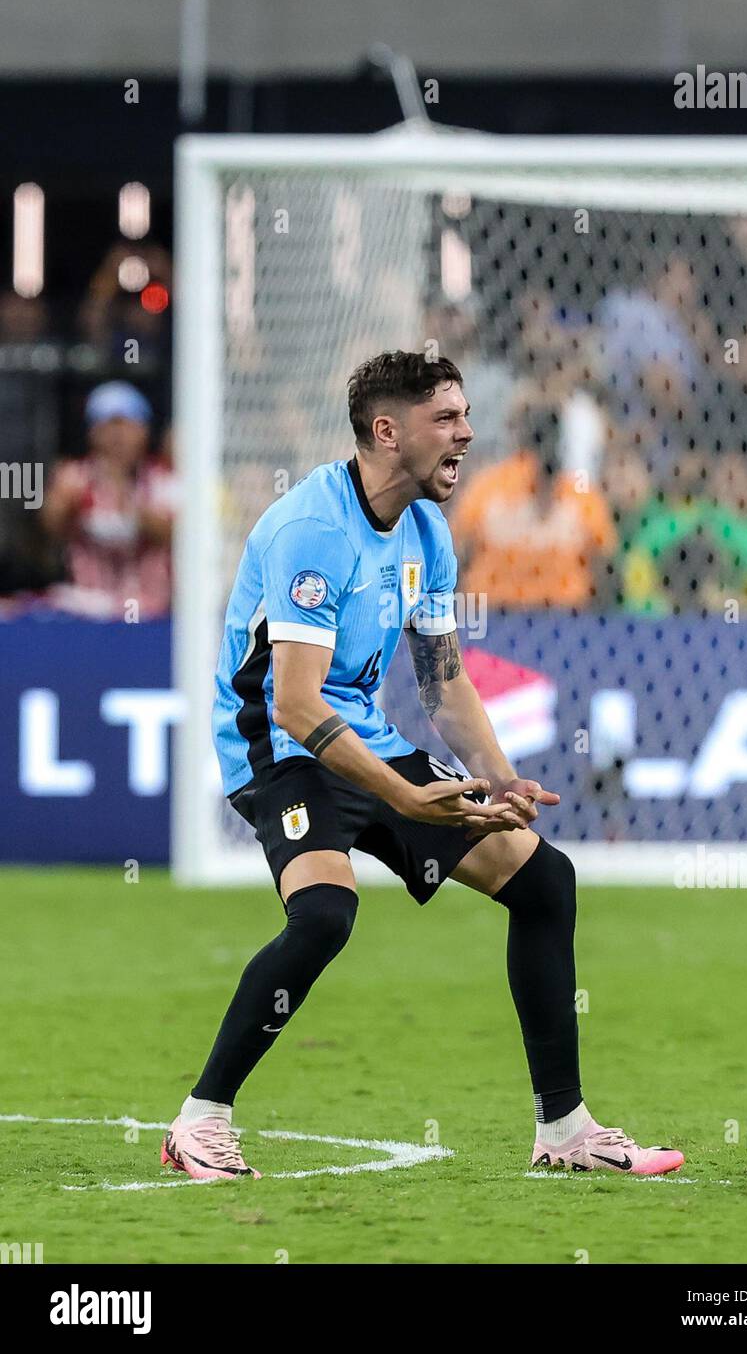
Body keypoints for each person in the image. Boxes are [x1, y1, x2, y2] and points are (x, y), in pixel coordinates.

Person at [162, 351, 684, 1181]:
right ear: (386, 430)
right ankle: (200, 1120)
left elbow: (444, 687)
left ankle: (565, 1130)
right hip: (276, 745)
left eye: (465, 416)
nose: (467, 434)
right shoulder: (313, 531)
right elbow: (296, 704)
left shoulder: (428, 533)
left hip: (360, 733)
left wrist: (501, 779)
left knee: (544, 881)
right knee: (326, 914)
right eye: (447, 419)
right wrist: (409, 792)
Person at [450, 381, 617, 610]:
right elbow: (458, 551)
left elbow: (605, 565)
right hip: (496, 612)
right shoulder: (488, 486)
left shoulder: (578, 492)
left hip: (562, 616)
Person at [41, 381, 175, 619]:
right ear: (92, 432)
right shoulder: (74, 478)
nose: (117, 436)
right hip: (88, 613)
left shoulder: (162, 480)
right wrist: (64, 503)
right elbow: (49, 528)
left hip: (151, 615)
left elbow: (171, 534)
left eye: (125, 426)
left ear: (143, 430)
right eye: (107, 426)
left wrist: (125, 492)